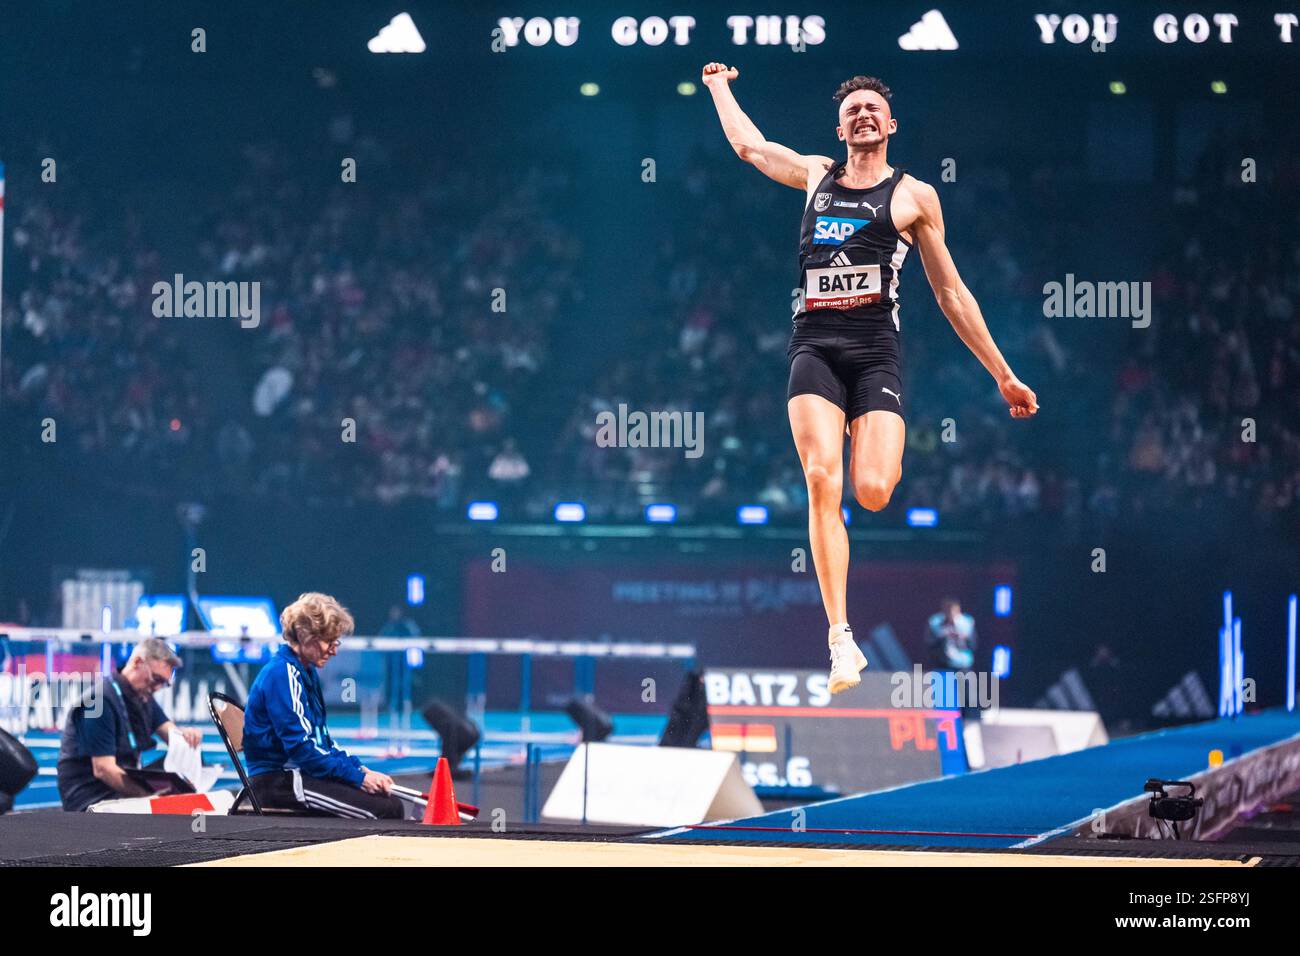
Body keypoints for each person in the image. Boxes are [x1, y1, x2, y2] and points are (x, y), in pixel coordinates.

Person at [703, 64, 1038, 693]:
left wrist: (1005, 376)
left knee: (875, 490)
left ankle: (864, 471)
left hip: (876, 351)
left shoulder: (914, 197)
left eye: (872, 109)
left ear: (890, 125)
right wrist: (721, 87)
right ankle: (840, 640)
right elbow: (750, 146)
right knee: (821, 477)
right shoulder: (814, 176)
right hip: (815, 347)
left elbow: (951, 293)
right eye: (852, 108)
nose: (862, 114)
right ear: (839, 126)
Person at [241, 592, 405, 819]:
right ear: (304, 635)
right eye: (328, 641)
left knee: (390, 804)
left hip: (299, 772)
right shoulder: (282, 674)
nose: (334, 650)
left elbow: (322, 741)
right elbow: (302, 749)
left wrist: (358, 769)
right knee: (384, 811)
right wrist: (358, 779)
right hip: (280, 782)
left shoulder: (305, 672)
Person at [57, 638, 203, 811]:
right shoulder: (97, 702)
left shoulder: (142, 696)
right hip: (91, 794)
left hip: (119, 789)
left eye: (164, 683)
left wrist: (186, 736)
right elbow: (103, 769)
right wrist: (148, 797)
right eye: (156, 679)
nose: (157, 688)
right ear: (137, 662)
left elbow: (172, 734)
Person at [925, 597, 978, 672]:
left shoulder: (967, 624)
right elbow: (929, 642)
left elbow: (973, 645)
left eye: (954, 611)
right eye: (948, 611)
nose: (951, 614)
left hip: (963, 665)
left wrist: (962, 638)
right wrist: (943, 635)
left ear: (959, 611)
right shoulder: (935, 623)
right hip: (942, 665)